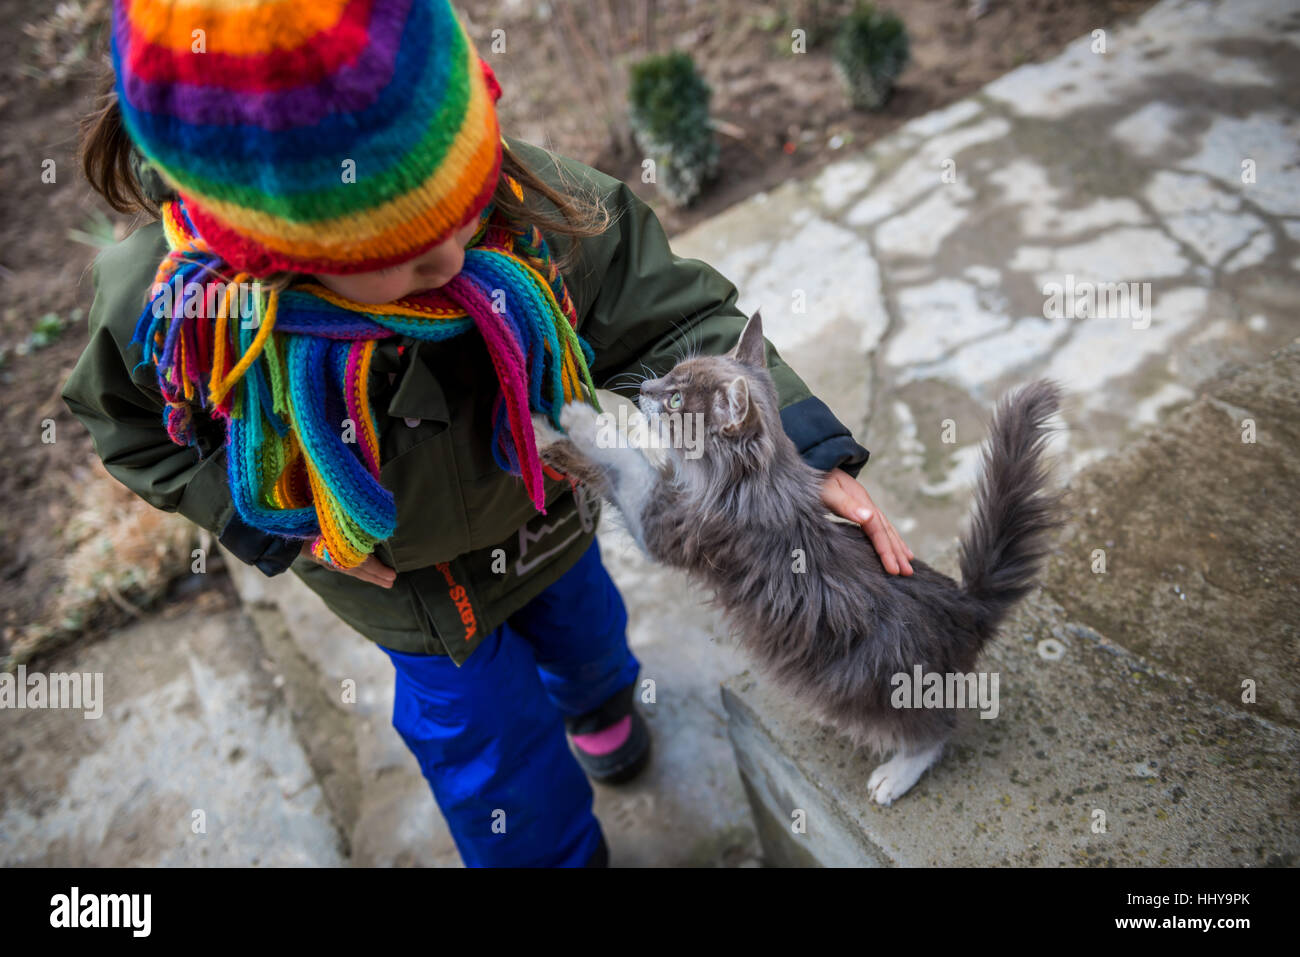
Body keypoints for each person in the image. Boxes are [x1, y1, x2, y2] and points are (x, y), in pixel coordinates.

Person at [63, 0, 913, 867]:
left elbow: (662, 308)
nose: (455, 257)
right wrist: (276, 527)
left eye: (460, 205)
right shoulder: (179, 312)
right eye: (405, 246)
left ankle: (600, 701)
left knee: (587, 635)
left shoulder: (513, 199)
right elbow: (134, 432)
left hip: (545, 517)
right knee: (493, 761)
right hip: (412, 593)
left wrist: (801, 447)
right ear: (269, 254)